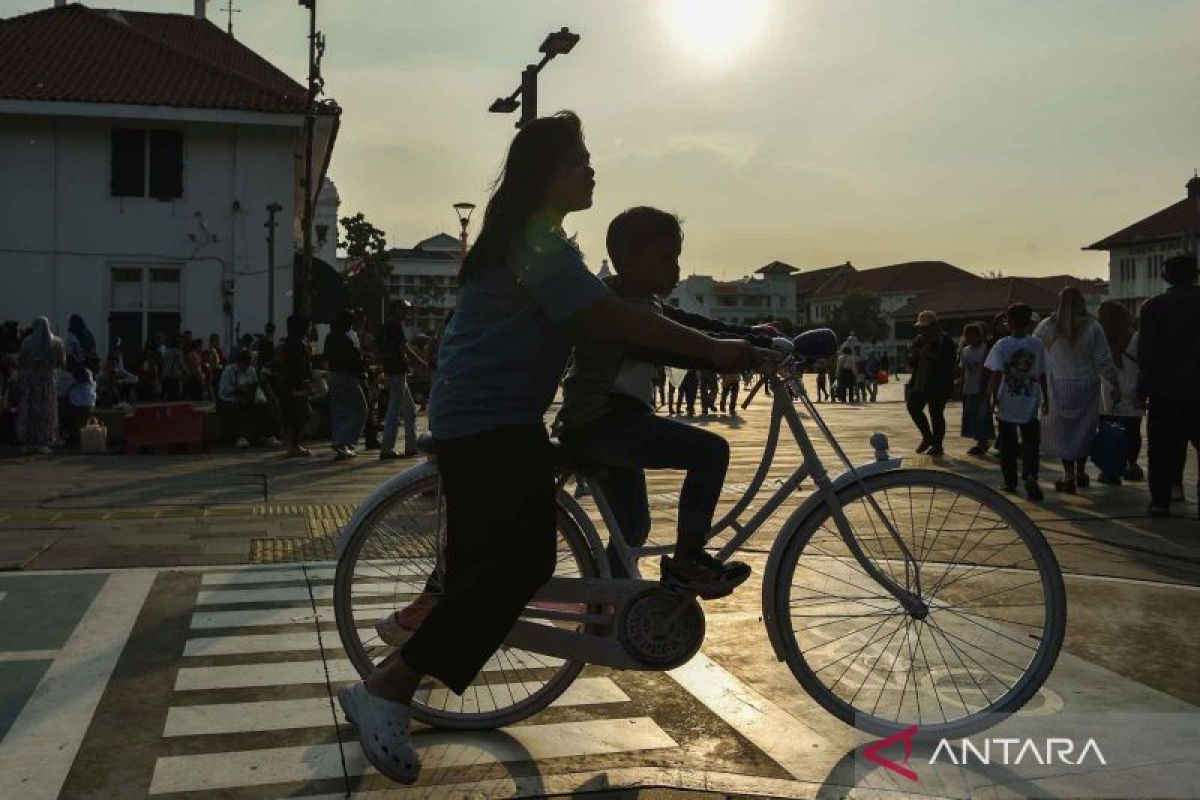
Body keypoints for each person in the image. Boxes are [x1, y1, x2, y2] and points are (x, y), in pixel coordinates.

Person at [338, 112, 757, 785]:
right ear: (543, 174)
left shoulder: (540, 243)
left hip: (488, 417)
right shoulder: (537, 245)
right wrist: (714, 349)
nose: (590, 170)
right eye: (576, 160)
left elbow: (622, 314)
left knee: (485, 571)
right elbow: (614, 318)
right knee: (519, 565)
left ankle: (392, 677)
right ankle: (389, 687)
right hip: (490, 422)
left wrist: (722, 344)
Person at [554, 205, 767, 582]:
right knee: (710, 451)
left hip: (614, 422)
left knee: (632, 530)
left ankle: (608, 604)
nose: (676, 269)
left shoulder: (643, 302)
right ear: (627, 259)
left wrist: (751, 338)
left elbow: (691, 325)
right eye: (667, 258)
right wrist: (727, 355)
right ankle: (688, 559)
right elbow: (665, 347)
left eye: (677, 258)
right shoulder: (620, 310)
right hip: (603, 422)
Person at [1034, 287, 1119, 494]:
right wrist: (1114, 381)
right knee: (1084, 429)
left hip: (1058, 384)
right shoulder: (1093, 326)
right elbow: (1103, 358)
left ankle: (1068, 474)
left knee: (1063, 431)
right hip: (1087, 384)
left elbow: (1035, 351)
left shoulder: (1047, 326)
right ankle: (1081, 471)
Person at [1138, 254, 1200, 517]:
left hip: (1164, 389)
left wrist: (1142, 389)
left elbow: (1146, 353)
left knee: (1160, 449)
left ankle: (1160, 500)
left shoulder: (1153, 307)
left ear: (1166, 276)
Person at [985, 303, 1047, 500]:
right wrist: (1047, 399)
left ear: (1009, 322)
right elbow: (1043, 374)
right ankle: (1030, 475)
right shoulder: (1037, 345)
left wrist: (990, 398)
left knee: (1008, 446)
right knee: (1031, 444)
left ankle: (1010, 481)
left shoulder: (1002, 345)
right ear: (1029, 322)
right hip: (1031, 400)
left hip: (1007, 401)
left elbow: (996, 374)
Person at [1096, 300, 1144, 485]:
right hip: (1131, 393)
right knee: (1132, 432)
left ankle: (1110, 469)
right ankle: (1131, 465)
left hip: (1106, 394)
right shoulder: (1136, 338)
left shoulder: (1100, 339)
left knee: (1108, 432)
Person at [379, 299, 428, 460]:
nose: (406, 313)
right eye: (403, 310)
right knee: (394, 410)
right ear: (395, 310)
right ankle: (387, 448)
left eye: (407, 310)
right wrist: (421, 362)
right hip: (397, 371)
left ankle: (411, 447)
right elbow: (404, 347)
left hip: (395, 371)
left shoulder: (386, 327)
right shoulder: (395, 326)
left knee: (409, 410)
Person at [906, 310, 956, 456]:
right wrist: (913, 355)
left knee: (936, 413)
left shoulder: (944, 341)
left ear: (934, 326)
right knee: (913, 407)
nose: (922, 330)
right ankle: (927, 437)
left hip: (938, 383)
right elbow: (911, 361)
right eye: (921, 327)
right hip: (920, 381)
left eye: (925, 327)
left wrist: (929, 355)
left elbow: (948, 363)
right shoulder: (919, 340)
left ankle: (937, 445)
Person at [16, 317, 65, 454]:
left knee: (30, 410)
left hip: (30, 382)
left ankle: (27, 441)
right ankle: (45, 441)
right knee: (46, 411)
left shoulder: (27, 342)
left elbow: (21, 361)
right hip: (47, 381)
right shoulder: (56, 343)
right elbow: (62, 362)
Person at [324, 309, 367, 460]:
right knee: (360, 410)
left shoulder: (330, 337)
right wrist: (363, 366)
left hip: (333, 376)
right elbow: (351, 360)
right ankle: (346, 442)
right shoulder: (346, 339)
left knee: (339, 410)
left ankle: (338, 440)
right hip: (347, 376)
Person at [218, 349, 279, 449]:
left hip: (248, 398)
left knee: (264, 407)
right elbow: (223, 391)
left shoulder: (251, 370)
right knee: (235, 408)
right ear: (239, 362)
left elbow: (255, 385)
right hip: (230, 399)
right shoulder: (229, 371)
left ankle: (268, 436)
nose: (246, 367)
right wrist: (238, 388)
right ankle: (238, 437)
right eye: (244, 364)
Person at [276, 313, 314, 457]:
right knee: (301, 413)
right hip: (297, 384)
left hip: (287, 383)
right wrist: (307, 384)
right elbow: (301, 367)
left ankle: (289, 443)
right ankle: (294, 445)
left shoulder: (286, 343)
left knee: (291, 414)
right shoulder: (299, 344)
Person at [959, 322, 994, 456]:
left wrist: (989, 388)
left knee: (982, 415)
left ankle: (983, 441)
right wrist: (961, 386)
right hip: (969, 387)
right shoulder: (965, 351)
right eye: (968, 335)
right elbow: (963, 370)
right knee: (972, 415)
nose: (971, 338)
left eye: (974, 335)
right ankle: (979, 440)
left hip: (982, 387)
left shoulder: (986, 349)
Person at [61, 362, 96, 448]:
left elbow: (63, 393)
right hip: (90, 405)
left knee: (59, 410)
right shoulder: (89, 376)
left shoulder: (71, 377)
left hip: (77, 407)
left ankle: (66, 435)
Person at [160, 335, 187, 401]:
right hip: (174, 374)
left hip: (166, 373)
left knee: (169, 392)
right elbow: (181, 363)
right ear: (179, 344)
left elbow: (164, 362)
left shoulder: (167, 351)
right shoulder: (178, 351)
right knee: (176, 392)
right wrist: (186, 371)